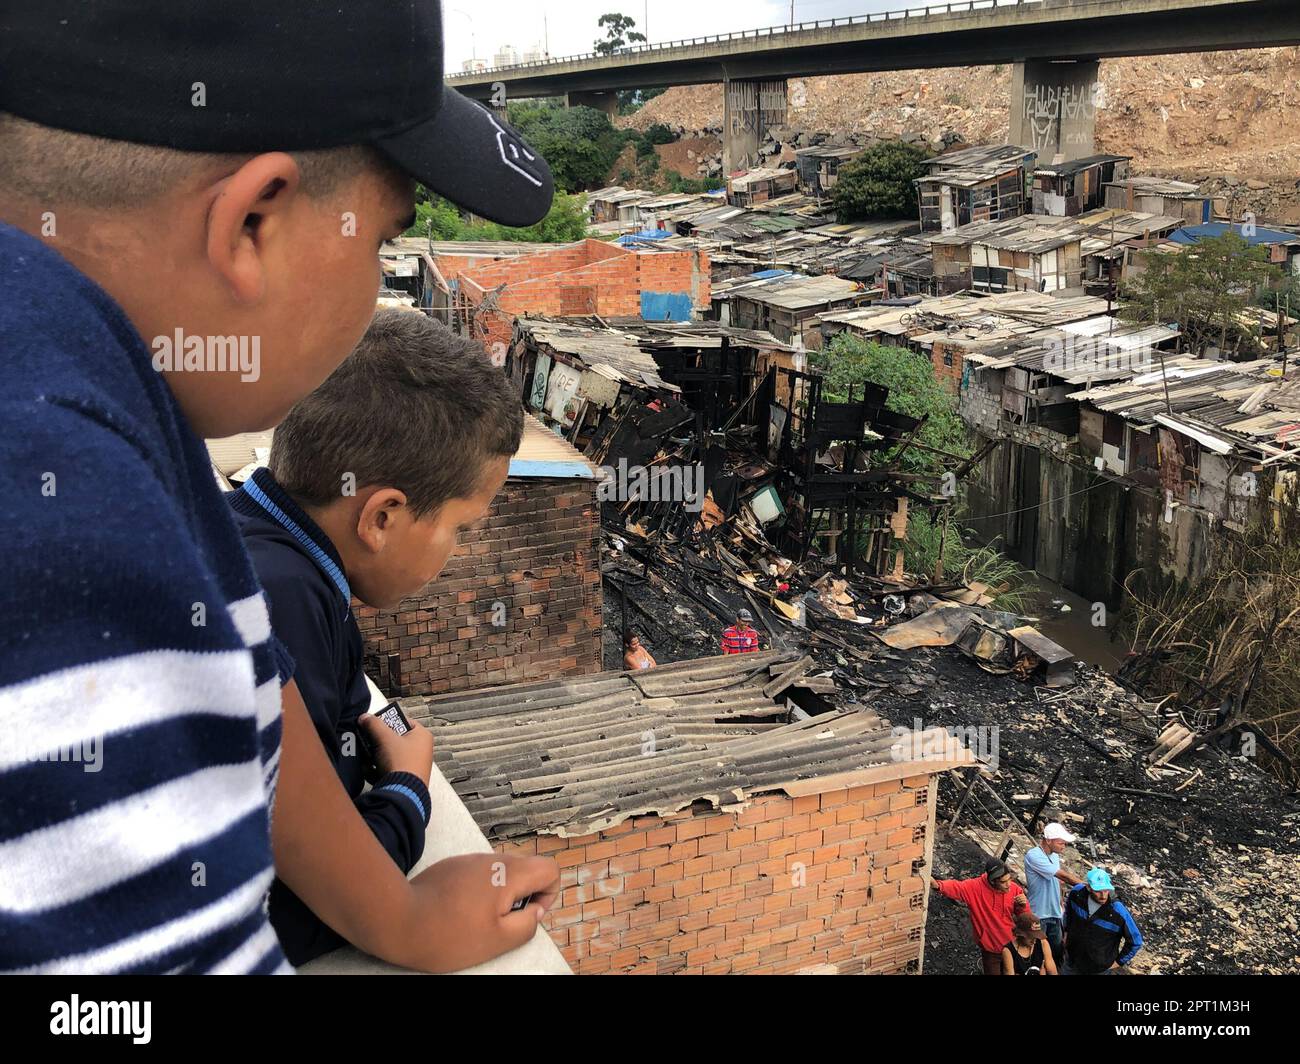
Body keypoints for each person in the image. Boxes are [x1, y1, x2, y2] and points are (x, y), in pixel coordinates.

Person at [0, 0, 556, 973]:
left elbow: (254, 678)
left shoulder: (88, 387)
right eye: (379, 244)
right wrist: (404, 808)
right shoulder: (74, 522)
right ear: (253, 223)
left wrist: (394, 913)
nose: (375, 290)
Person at [231, 310, 524, 965]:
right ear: (382, 517)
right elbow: (314, 903)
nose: (458, 551)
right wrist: (407, 791)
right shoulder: (279, 604)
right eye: (462, 528)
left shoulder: (264, 546)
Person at [932, 858, 1032, 975]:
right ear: (992, 881)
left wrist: (1023, 905)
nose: (1008, 884)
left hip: (1012, 946)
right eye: (1003, 882)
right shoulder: (975, 888)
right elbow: (957, 887)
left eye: (1010, 879)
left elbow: (1026, 919)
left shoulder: (1015, 889)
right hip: (991, 950)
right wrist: (937, 885)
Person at [1062, 867, 1144, 975]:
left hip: (1098, 969)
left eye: (1106, 890)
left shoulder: (1117, 911)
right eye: (1098, 891)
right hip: (1072, 959)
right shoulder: (1077, 893)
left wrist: (1118, 962)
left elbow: (1135, 941)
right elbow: (1068, 912)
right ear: (1088, 887)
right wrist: (1066, 932)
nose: (1103, 896)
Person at [1023, 822, 1082, 965]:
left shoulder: (1054, 856)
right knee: (1038, 952)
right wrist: (1086, 886)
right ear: (1048, 841)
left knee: (1057, 950)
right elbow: (1063, 876)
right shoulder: (1034, 855)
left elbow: (1058, 882)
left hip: (1055, 912)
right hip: (1039, 913)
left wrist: (1060, 902)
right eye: (1061, 843)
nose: (1064, 846)